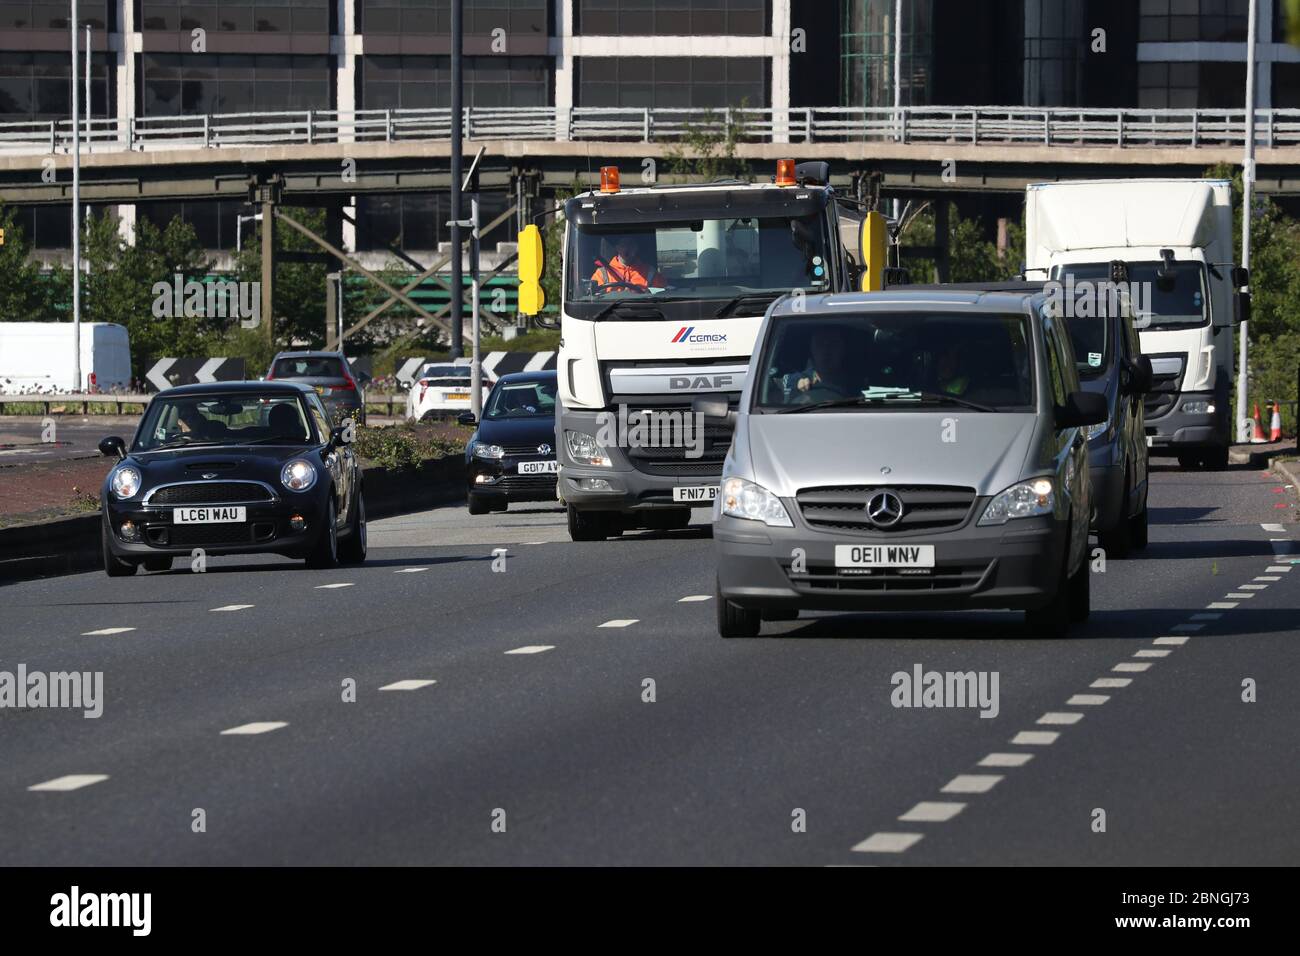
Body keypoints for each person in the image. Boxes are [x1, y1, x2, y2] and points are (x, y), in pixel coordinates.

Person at [790, 325, 863, 400]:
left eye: (833, 344)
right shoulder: (798, 380)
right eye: (819, 344)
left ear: (843, 349)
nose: (826, 351)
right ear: (811, 349)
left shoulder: (856, 386)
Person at [591, 236, 666, 289]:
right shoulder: (601, 274)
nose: (627, 248)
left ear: (636, 248)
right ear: (617, 248)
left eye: (630, 244)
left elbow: (662, 295)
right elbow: (593, 298)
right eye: (623, 244)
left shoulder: (651, 273)